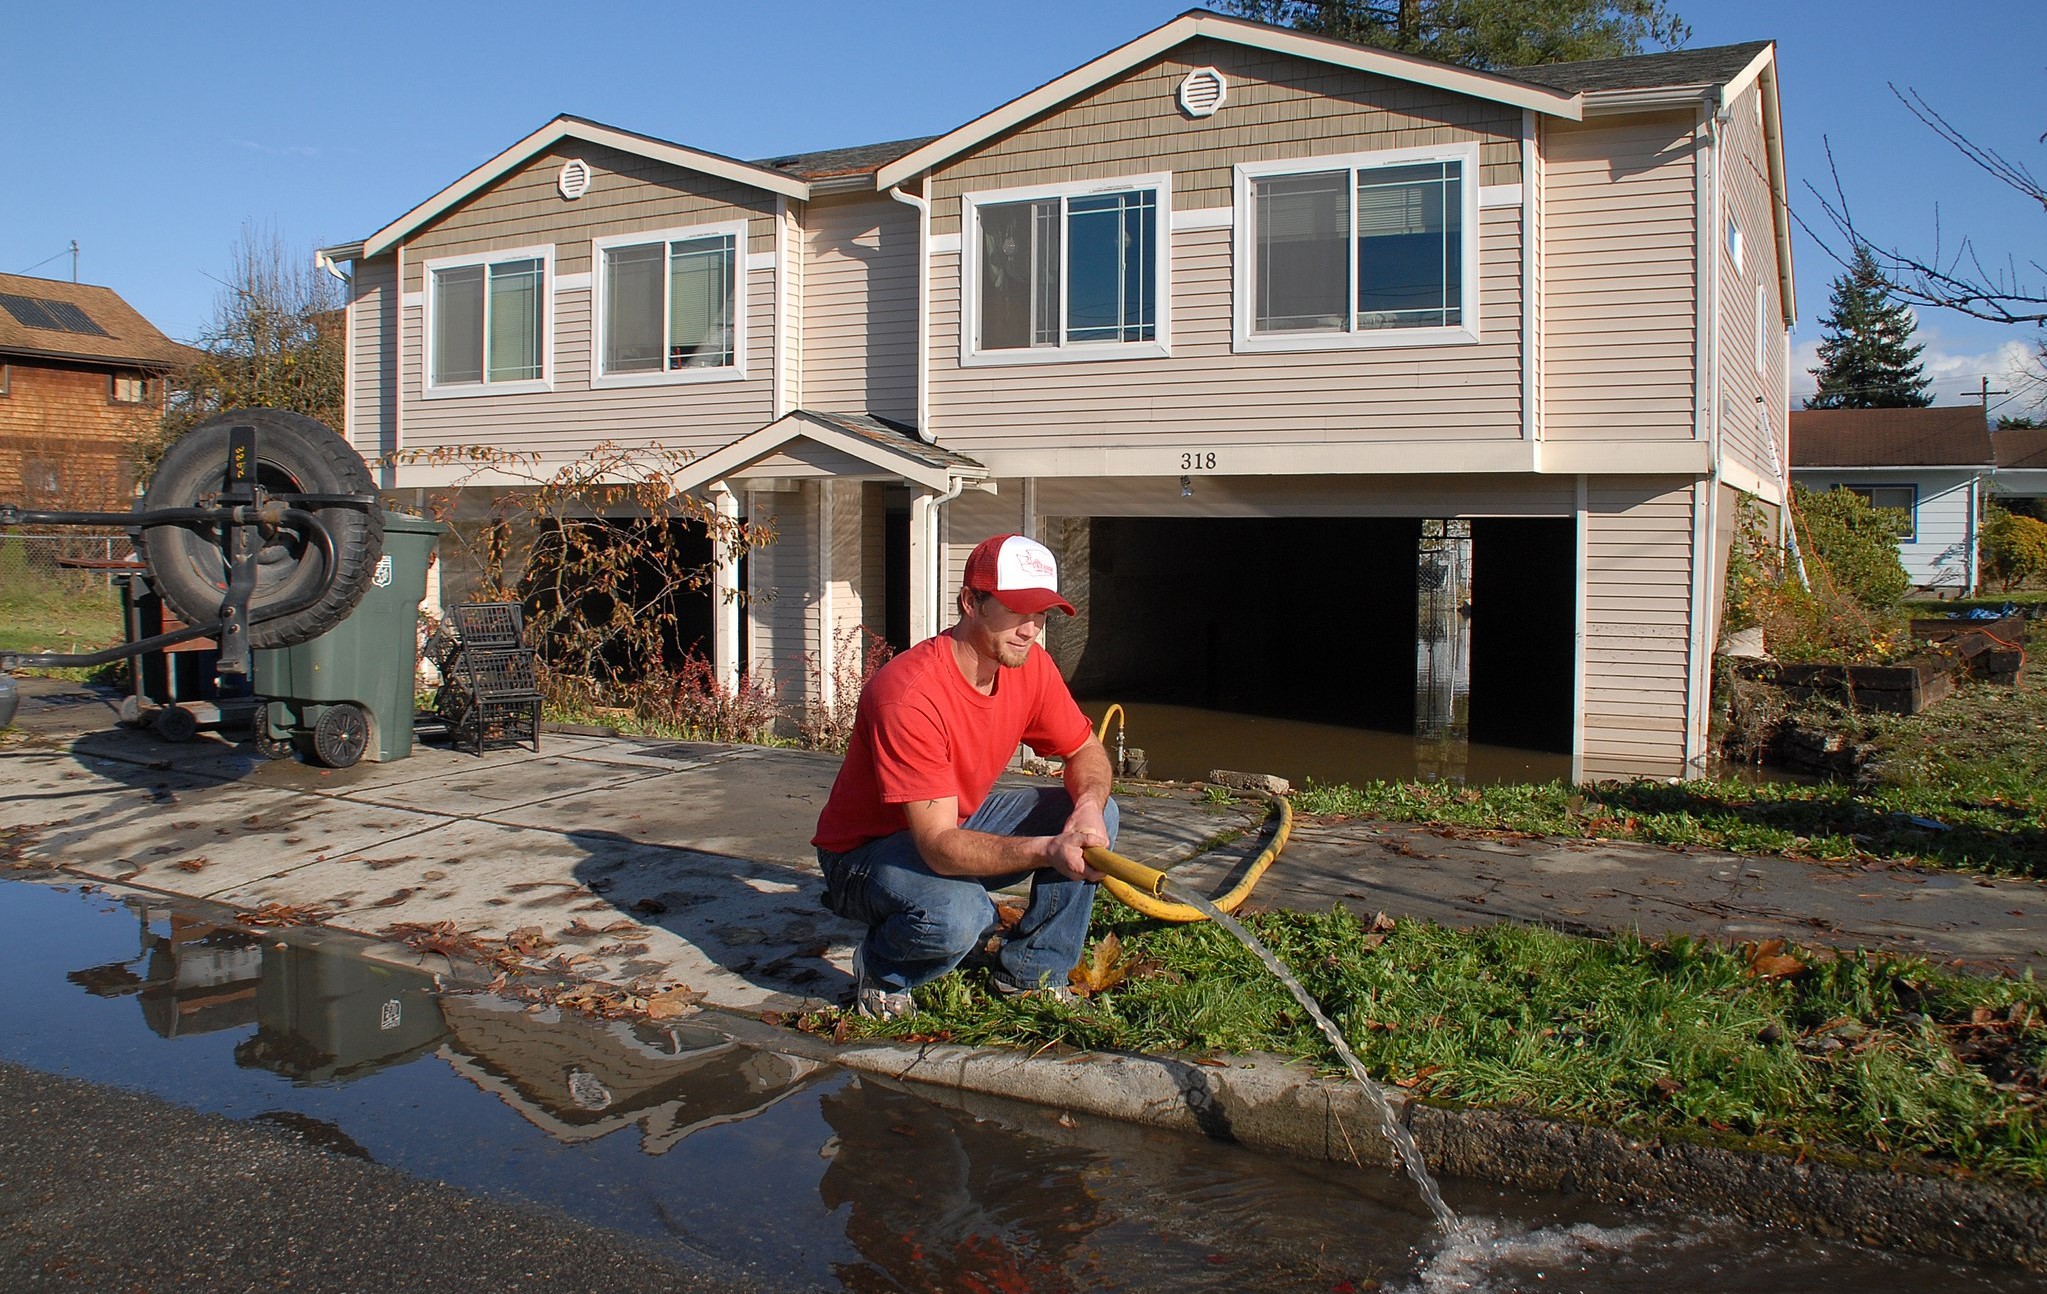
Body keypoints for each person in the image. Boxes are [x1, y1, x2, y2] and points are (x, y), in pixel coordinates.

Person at [812, 533, 1119, 1019]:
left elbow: (1086, 750)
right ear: (970, 602)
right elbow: (936, 845)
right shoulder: (909, 693)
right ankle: (883, 970)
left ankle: (1032, 975)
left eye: (1041, 613)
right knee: (962, 915)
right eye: (1017, 610)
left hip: (951, 821)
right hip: (863, 855)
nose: (1031, 628)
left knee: (1094, 812)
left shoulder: (1029, 666)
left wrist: (1085, 808)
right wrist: (1046, 850)